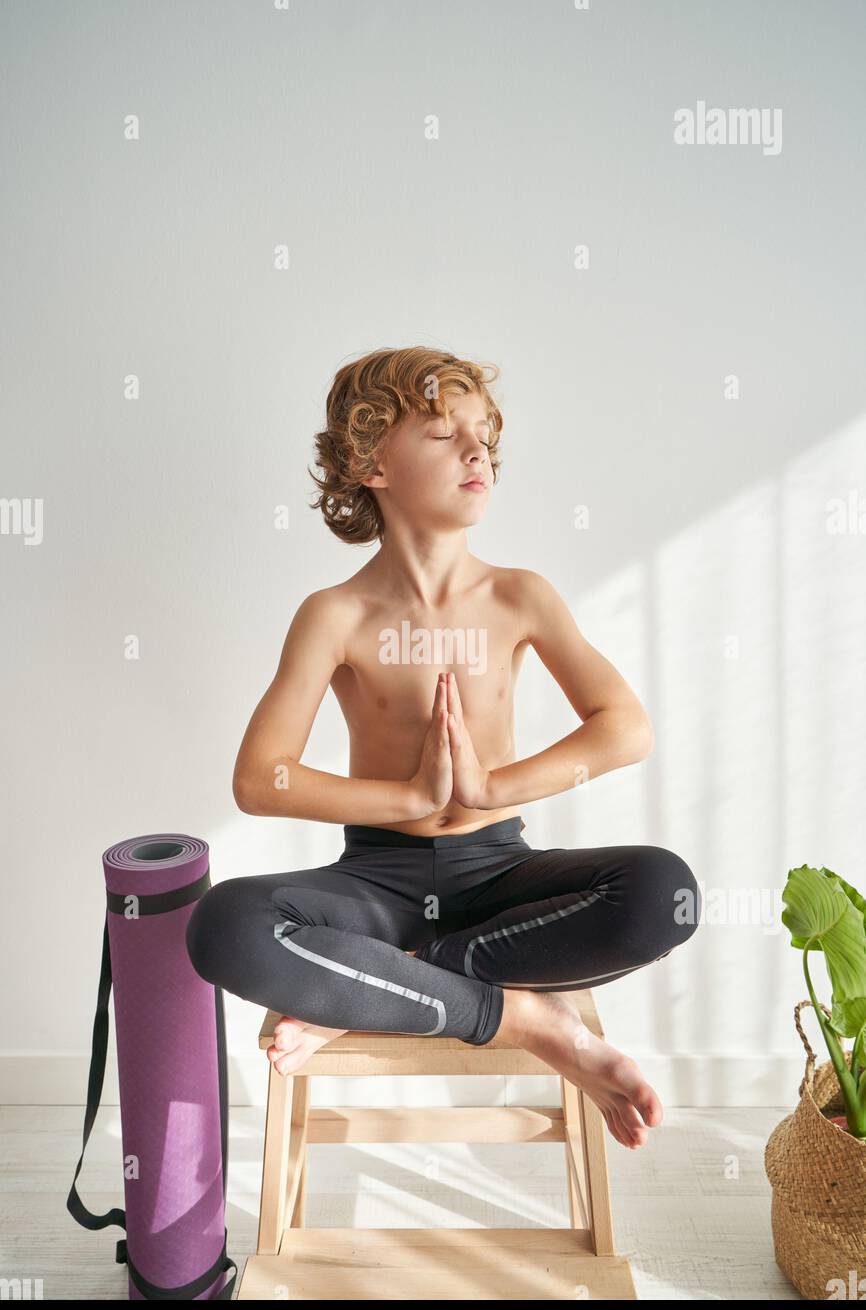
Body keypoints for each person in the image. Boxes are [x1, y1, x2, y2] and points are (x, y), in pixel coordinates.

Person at [185, 346, 702, 1150]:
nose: (477, 451)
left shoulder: (519, 595)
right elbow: (261, 778)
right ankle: (523, 1018)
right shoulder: (336, 614)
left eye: (484, 434)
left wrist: (491, 789)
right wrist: (412, 800)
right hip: (373, 885)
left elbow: (623, 725)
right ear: (368, 463)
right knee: (223, 924)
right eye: (442, 433)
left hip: (497, 875)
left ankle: (388, 986)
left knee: (664, 891)